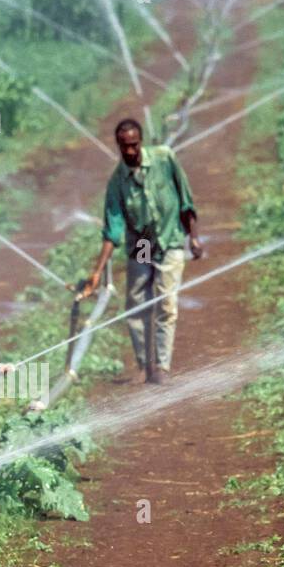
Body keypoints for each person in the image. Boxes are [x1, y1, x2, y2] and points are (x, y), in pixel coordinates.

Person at [78, 118, 202, 384]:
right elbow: (112, 230)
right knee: (137, 303)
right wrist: (97, 271)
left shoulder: (164, 159)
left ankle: (162, 367)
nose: (131, 152)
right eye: (125, 147)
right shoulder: (117, 183)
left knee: (166, 302)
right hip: (143, 244)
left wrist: (194, 238)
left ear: (141, 142)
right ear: (118, 146)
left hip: (169, 239)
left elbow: (185, 198)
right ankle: (145, 365)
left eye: (134, 145)